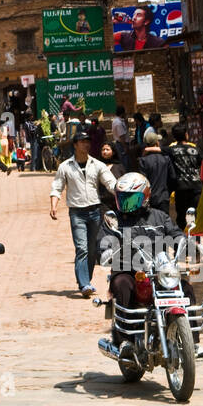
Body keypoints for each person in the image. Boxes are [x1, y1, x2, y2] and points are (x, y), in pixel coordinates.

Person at [99, 172, 197, 344]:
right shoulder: (113, 219)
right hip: (127, 270)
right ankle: (124, 342)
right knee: (122, 286)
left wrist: (186, 243)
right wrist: (107, 252)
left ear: (144, 197)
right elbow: (104, 242)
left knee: (186, 289)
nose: (125, 203)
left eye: (130, 198)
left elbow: (175, 234)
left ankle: (192, 343)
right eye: (122, 198)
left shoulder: (159, 216)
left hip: (159, 270)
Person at [49, 125, 118, 297]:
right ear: (75, 145)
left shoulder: (98, 165)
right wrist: (53, 206)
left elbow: (111, 184)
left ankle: (86, 280)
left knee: (93, 249)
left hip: (95, 211)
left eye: (88, 142)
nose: (86, 145)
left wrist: (122, 193)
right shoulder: (65, 167)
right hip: (77, 213)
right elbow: (57, 188)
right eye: (82, 142)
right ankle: (84, 284)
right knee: (82, 248)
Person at [165, 123, 203, 232]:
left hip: (180, 188)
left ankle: (184, 243)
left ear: (174, 137)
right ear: (186, 135)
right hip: (196, 187)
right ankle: (196, 244)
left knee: (182, 217)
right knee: (194, 217)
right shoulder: (195, 149)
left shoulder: (171, 150)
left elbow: (159, 150)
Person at [138, 132, 175, 218]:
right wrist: (168, 192)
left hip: (150, 198)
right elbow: (172, 177)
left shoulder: (143, 160)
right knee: (164, 222)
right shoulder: (166, 158)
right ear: (157, 143)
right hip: (164, 197)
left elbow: (143, 181)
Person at [111, 105, 131, 169]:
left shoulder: (118, 121)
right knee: (125, 163)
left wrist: (126, 121)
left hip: (121, 144)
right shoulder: (119, 123)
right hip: (122, 145)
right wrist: (125, 147)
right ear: (122, 113)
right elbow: (122, 136)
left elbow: (126, 129)